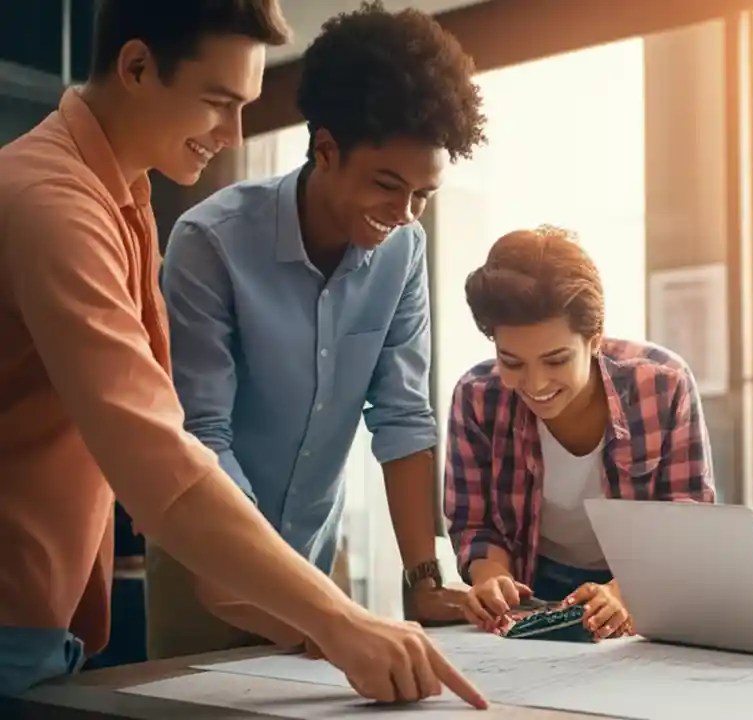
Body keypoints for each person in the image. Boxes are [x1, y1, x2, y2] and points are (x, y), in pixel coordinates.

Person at [0, 0, 483, 707]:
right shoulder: (59, 205)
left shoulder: (120, 198)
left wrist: (405, 585)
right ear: (136, 67)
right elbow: (161, 458)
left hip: (40, 623)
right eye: (218, 103)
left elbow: (403, 414)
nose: (232, 135)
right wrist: (337, 618)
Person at [153, 1, 487, 660]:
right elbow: (204, 437)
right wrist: (283, 592)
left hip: (317, 564)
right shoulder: (210, 244)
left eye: (424, 194)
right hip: (210, 574)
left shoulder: (405, 249)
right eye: (388, 185)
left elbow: (402, 416)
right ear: (326, 148)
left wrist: (423, 580)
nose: (406, 213)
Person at [445, 226, 717, 640]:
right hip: (534, 589)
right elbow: (474, 521)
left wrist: (626, 592)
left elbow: (687, 516)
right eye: (512, 361)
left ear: (594, 339)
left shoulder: (662, 382)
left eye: (555, 361)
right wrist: (490, 577)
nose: (535, 383)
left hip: (647, 584)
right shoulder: (477, 396)